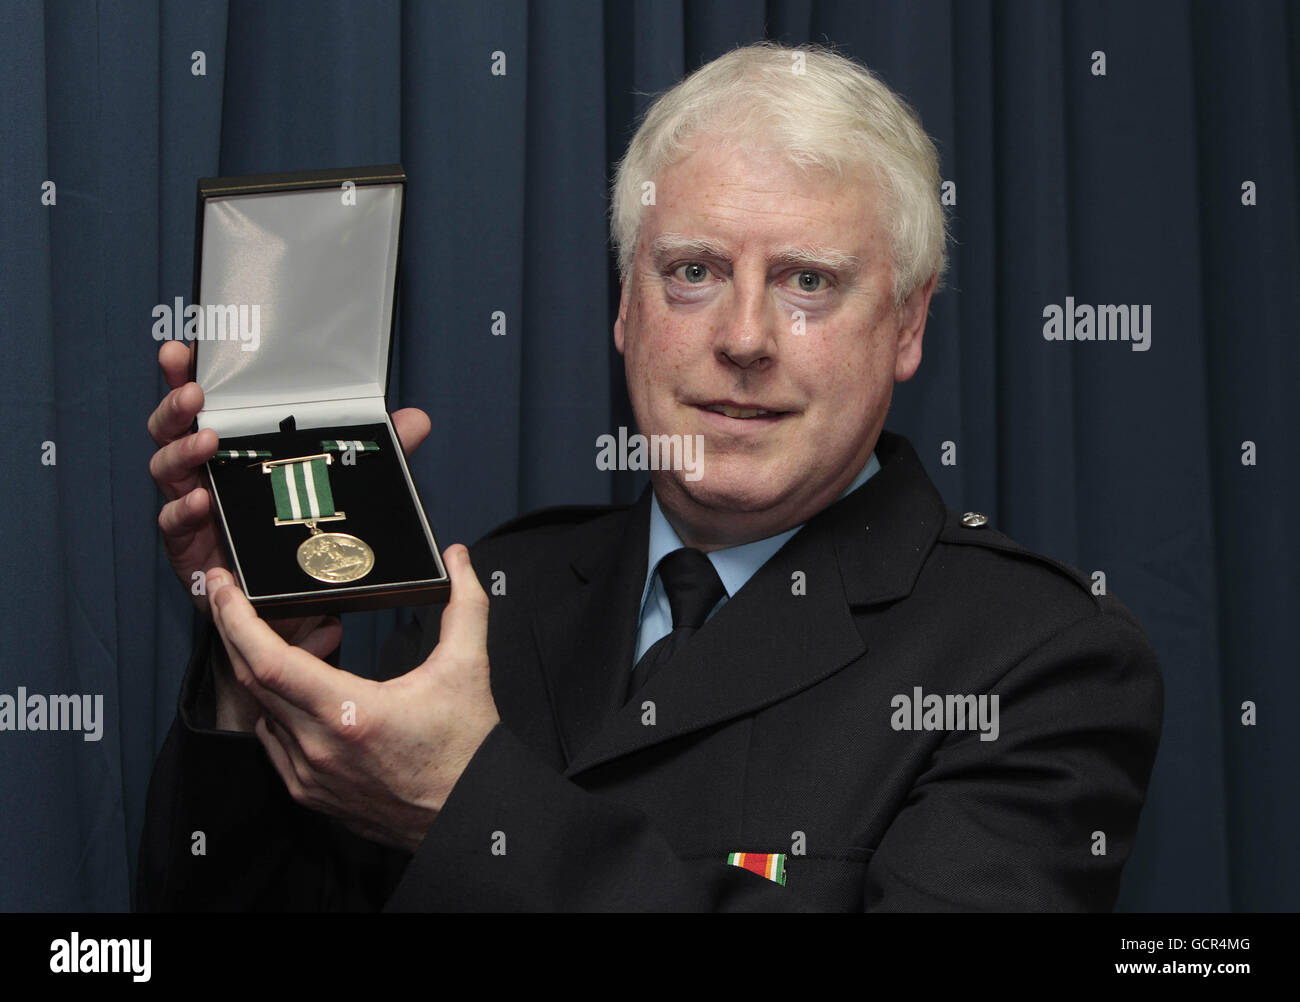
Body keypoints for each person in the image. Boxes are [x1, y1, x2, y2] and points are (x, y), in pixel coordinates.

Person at [138, 42, 1162, 911]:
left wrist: (467, 804)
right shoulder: (491, 592)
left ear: (907, 324)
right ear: (625, 310)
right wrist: (259, 645)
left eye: (808, 282)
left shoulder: (1039, 662)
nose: (745, 338)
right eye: (693, 272)